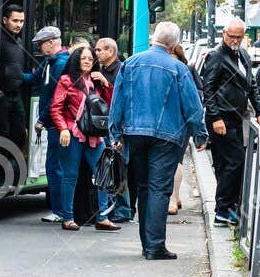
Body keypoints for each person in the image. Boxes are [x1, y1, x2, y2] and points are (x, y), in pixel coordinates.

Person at [108, 21, 208, 260]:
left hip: (134, 132)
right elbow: (192, 105)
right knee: (158, 190)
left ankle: (148, 244)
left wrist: (115, 133)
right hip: (167, 135)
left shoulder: (130, 63)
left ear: (154, 38)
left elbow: (117, 100)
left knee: (143, 187)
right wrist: (200, 133)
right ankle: (154, 246)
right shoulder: (178, 68)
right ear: (173, 44)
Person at [199, 17, 260, 227]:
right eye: (232, 36)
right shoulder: (216, 56)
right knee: (234, 162)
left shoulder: (243, 54)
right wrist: (216, 117)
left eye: (239, 37)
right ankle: (224, 209)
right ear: (224, 34)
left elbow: (252, 85)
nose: (235, 40)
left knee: (227, 163)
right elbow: (208, 89)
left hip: (236, 117)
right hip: (222, 117)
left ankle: (227, 208)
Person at [49, 44, 120, 233]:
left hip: (95, 136)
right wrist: (63, 129)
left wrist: (105, 84)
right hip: (72, 134)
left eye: (90, 59)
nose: (88, 61)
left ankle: (102, 217)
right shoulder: (66, 80)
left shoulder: (96, 81)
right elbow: (56, 108)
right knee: (70, 176)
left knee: (104, 174)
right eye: (84, 58)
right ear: (76, 61)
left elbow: (109, 105)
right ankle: (67, 217)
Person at [0, 6, 34, 191]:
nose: (19, 25)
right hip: (1, 94)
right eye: (15, 21)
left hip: (16, 94)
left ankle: (11, 174)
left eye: (21, 21)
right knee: (2, 134)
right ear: (5, 20)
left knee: (19, 133)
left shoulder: (19, 41)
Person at [31, 25, 71, 222]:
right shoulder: (49, 61)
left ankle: (60, 211)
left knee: (56, 167)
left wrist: (42, 119)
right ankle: (60, 210)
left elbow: (56, 98)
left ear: (52, 42)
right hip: (54, 122)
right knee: (55, 166)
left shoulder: (60, 63)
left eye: (41, 44)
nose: (39, 48)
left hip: (57, 123)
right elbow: (32, 79)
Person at [94, 37, 131, 222]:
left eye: (100, 50)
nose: (97, 53)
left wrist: (106, 84)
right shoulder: (102, 69)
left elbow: (121, 99)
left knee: (118, 169)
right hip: (104, 126)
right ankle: (112, 208)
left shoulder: (122, 69)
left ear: (111, 51)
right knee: (109, 168)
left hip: (117, 127)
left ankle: (123, 211)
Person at [167, 40, 198, 214]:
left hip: (182, 122)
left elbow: (197, 96)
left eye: (174, 58)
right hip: (167, 122)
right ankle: (175, 197)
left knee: (177, 160)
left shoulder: (187, 71)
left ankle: (172, 198)